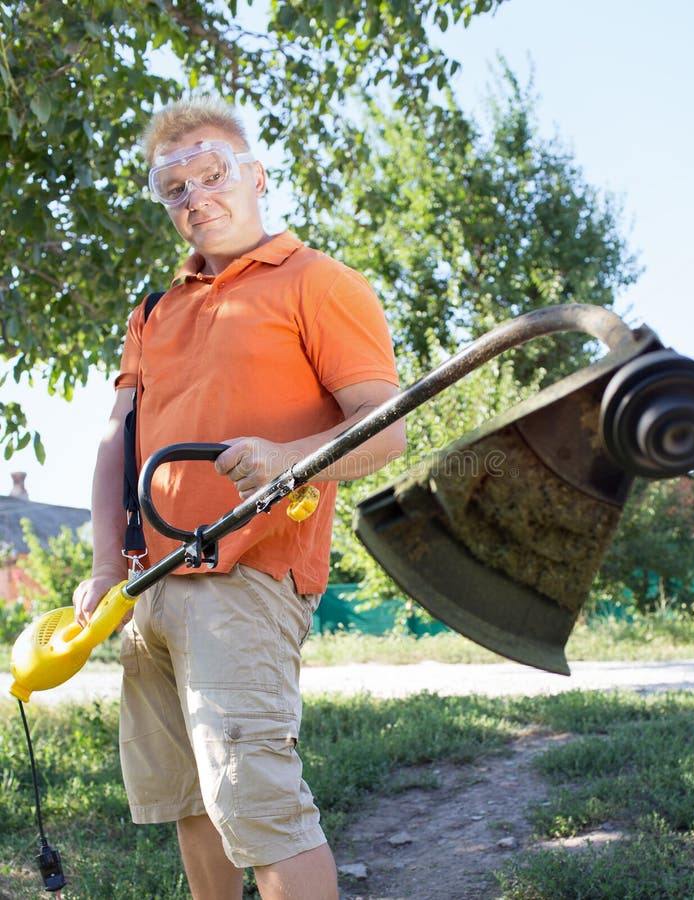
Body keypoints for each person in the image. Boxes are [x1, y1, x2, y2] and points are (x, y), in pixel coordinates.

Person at [72, 95, 406, 900]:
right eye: (174, 188)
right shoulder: (153, 308)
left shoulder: (319, 283)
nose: (195, 198)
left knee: (257, 804)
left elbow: (384, 429)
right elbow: (119, 437)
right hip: (148, 585)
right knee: (189, 798)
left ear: (255, 175)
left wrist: (288, 458)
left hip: (245, 576)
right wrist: (103, 564)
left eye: (211, 174)